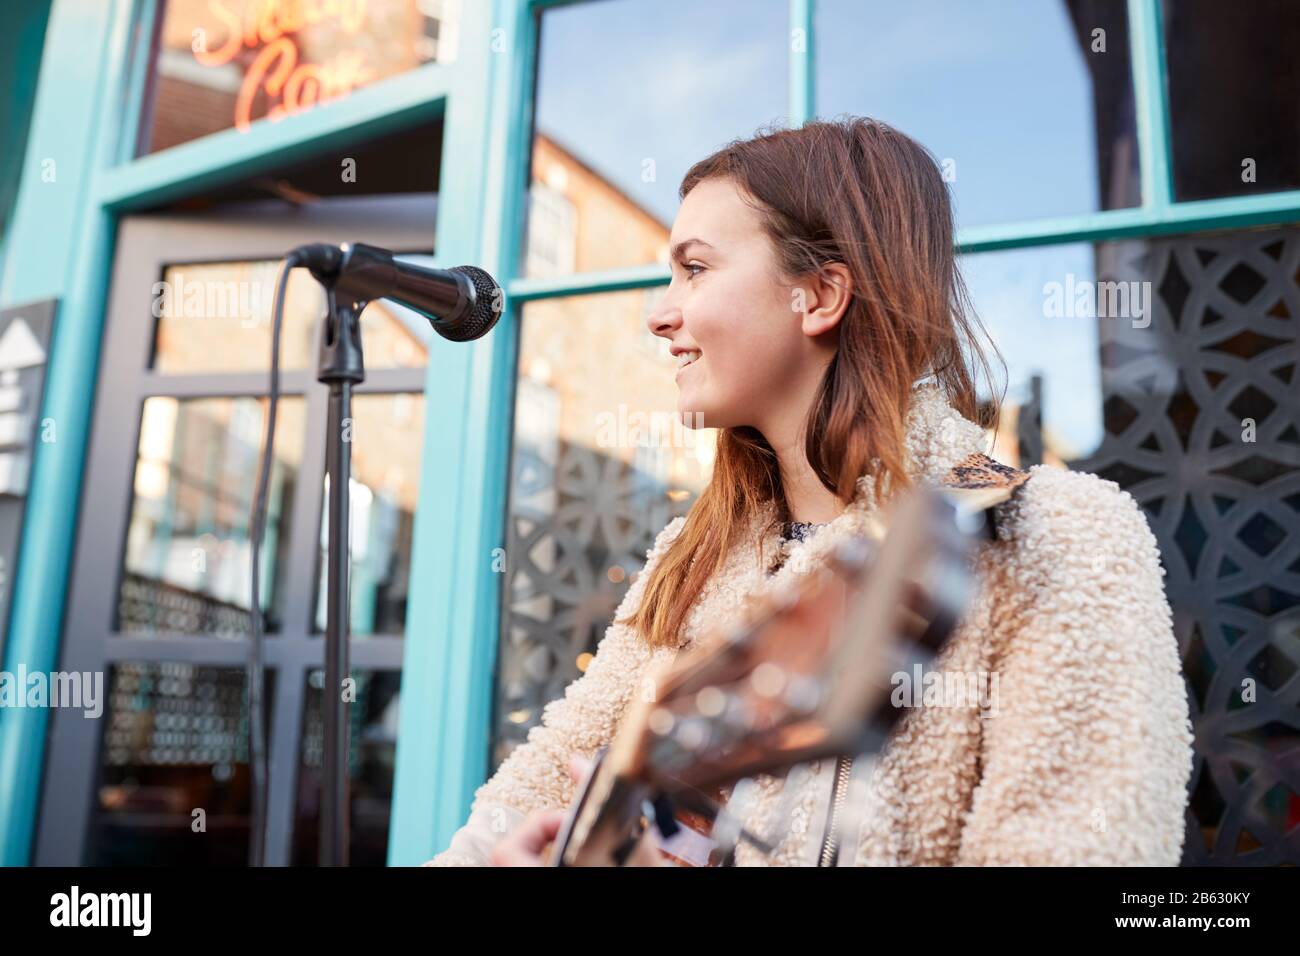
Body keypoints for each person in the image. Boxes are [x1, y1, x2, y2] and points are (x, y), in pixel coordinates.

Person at [424, 117, 1195, 867]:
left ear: (820, 296)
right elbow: (531, 787)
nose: (660, 314)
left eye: (694, 269)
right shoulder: (696, 557)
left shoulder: (1057, 534)